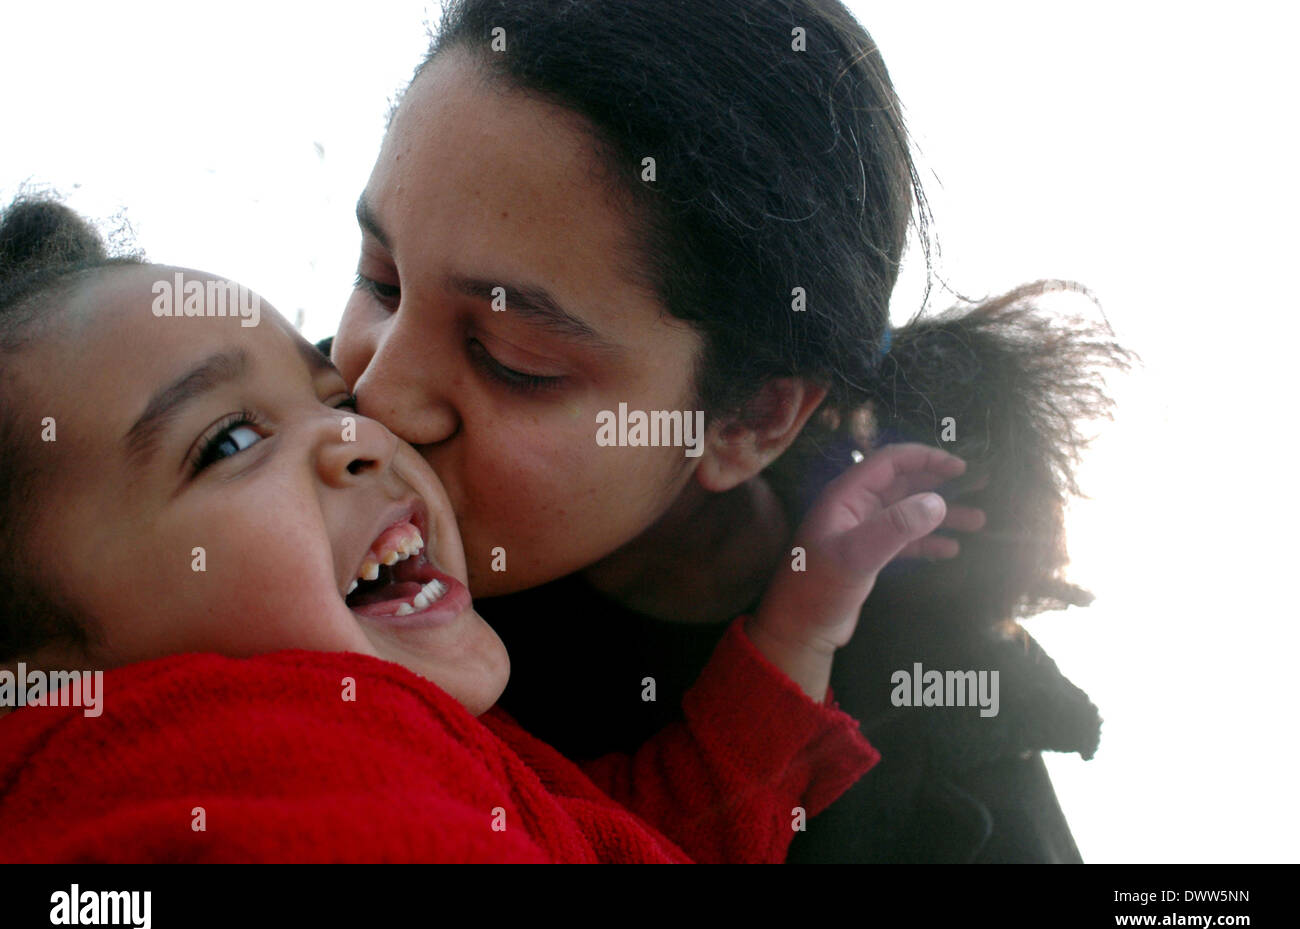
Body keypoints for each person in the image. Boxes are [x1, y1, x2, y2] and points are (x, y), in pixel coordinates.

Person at [322, 0, 1136, 862]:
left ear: (751, 419)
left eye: (510, 358)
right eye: (380, 280)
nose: (379, 392)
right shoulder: (244, 465)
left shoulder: (938, 759)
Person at [0, 196, 966, 863]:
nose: (362, 431)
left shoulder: (392, 727)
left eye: (328, 396)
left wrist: (801, 623)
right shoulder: (171, 756)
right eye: (231, 439)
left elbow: (643, 838)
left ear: (752, 417)